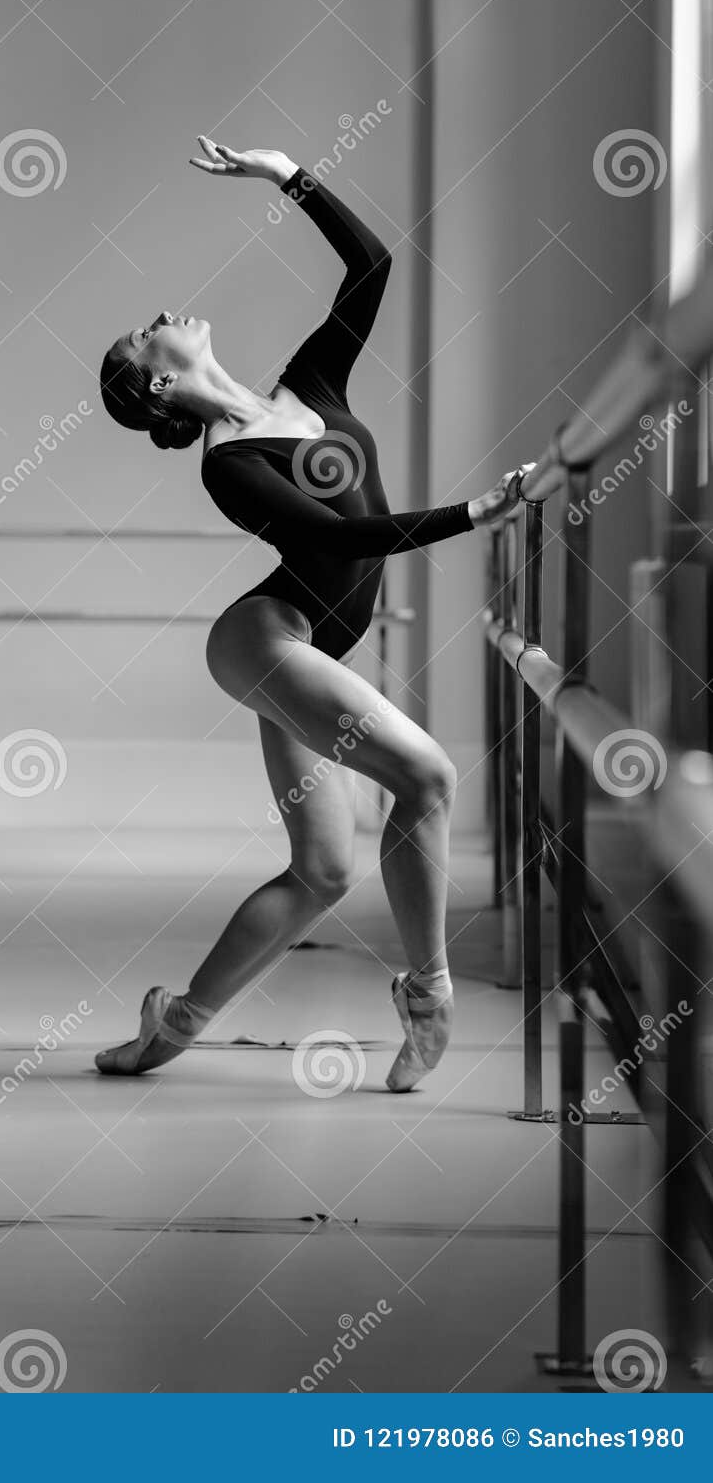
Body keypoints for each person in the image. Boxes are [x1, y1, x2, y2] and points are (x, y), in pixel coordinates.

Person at [96, 138, 528, 1090]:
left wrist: (286, 173)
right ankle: (431, 997)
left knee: (323, 872)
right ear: (158, 384)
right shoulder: (229, 465)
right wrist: (474, 512)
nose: (162, 315)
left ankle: (167, 1031)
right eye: (143, 333)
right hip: (264, 640)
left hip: (302, 645)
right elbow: (342, 543)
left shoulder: (308, 387)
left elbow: (370, 266)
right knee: (424, 776)